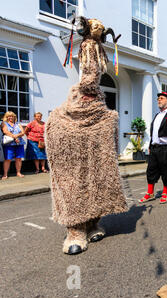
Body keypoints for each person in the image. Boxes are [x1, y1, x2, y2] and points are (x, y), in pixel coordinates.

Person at [46, 17, 128, 255]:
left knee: (100, 170)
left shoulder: (95, 47)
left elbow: (92, 75)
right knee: (72, 175)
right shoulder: (88, 46)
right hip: (82, 104)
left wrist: (92, 92)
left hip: (96, 108)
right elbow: (89, 75)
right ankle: (75, 228)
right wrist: (85, 91)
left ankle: (92, 220)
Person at [139, 92, 167, 204]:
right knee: (151, 170)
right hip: (154, 148)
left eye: (161, 98)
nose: (159, 100)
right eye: (158, 98)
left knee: (166, 171)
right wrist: (150, 145)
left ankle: (165, 193)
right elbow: (154, 133)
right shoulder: (157, 115)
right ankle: (150, 193)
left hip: (166, 148)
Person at [2, 111, 26, 179]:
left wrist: (17, 136)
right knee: (8, 159)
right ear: (6, 117)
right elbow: (5, 131)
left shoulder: (18, 124)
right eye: (9, 116)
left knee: (18, 159)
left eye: (12, 116)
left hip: (19, 143)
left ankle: (18, 172)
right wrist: (15, 137)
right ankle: (5, 174)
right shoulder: (4, 123)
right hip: (9, 144)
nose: (10, 117)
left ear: (14, 117)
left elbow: (23, 132)